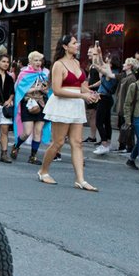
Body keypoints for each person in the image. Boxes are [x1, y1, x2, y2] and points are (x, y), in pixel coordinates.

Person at [37, 35, 100, 190]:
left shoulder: (77, 62)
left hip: (76, 105)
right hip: (62, 105)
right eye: (74, 43)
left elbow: (81, 85)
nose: (77, 45)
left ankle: (80, 180)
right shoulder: (58, 65)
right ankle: (43, 171)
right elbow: (57, 90)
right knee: (58, 142)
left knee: (77, 143)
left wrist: (91, 93)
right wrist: (82, 96)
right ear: (65, 46)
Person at [12, 51, 49, 164]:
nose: (38, 63)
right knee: (27, 132)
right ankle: (16, 145)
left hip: (41, 104)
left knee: (38, 131)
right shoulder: (24, 74)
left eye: (40, 60)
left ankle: (33, 156)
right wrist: (36, 89)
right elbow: (19, 90)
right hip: (28, 104)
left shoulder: (43, 74)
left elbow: (47, 90)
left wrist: (44, 90)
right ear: (30, 61)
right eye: (36, 60)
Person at [92, 54, 121, 155]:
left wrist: (96, 62)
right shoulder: (113, 72)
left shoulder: (111, 73)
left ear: (112, 63)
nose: (106, 61)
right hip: (106, 98)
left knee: (99, 122)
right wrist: (99, 55)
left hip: (104, 98)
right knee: (106, 121)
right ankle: (107, 142)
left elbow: (100, 68)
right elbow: (102, 65)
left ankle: (104, 143)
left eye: (108, 60)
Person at [114, 57, 139, 153]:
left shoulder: (131, 78)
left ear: (130, 66)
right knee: (123, 126)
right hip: (122, 105)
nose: (123, 65)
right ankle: (123, 146)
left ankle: (128, 146)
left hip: (126, 106)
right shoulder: (126, 77)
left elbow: (131, 95)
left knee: (127, 127)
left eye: (125, 63)